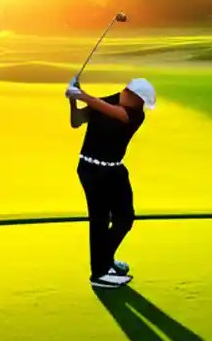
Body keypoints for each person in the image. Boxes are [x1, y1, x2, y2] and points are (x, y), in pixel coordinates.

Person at [66, 76, 156, 288]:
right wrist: (73, 99)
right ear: (131, 94)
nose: (142, 106)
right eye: (141, 101)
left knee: (125, 218)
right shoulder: (107, 101)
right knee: (100, 220)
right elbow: (76, 121)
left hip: (114, 170)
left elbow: (115, 113)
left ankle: (105, 260)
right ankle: (99, 274)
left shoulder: (135, 114)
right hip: (91, 170)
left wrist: (81, 94)